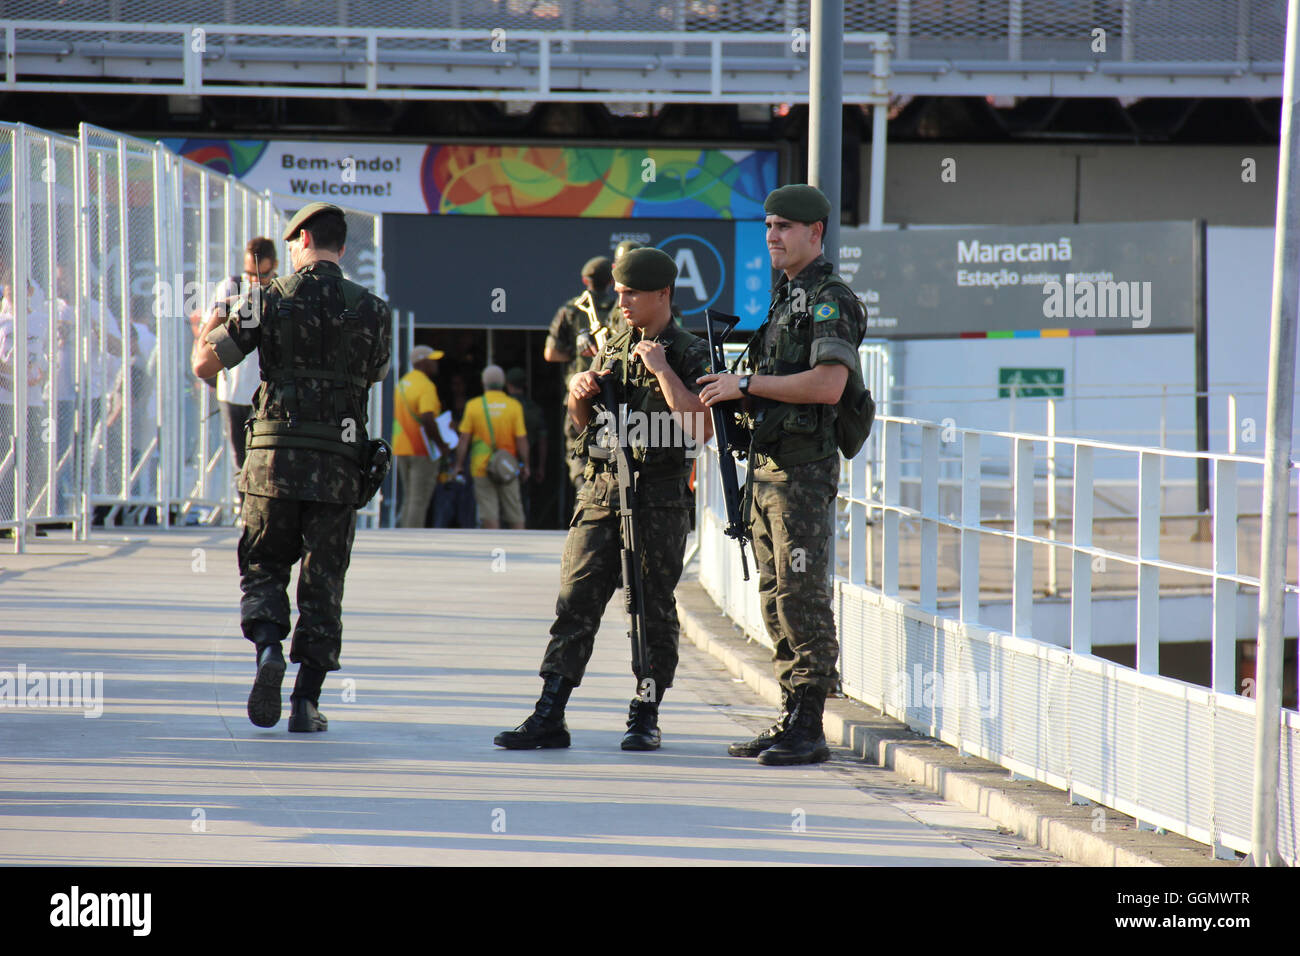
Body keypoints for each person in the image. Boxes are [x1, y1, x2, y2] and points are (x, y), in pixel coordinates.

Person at [494, 247, 712, 752]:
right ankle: (550, 711)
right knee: (576, 601)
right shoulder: (614, 342)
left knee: (651, 609)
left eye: (631, 293)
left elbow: (699, 429)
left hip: (657, 498)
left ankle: (645, 712)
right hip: (601, 491)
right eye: (618, 293)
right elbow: (583, 424)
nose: (623, 302)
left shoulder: (688, 352)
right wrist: (579, 392)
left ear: (663, 294)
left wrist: (661, 371)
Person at [191, 201, 391, 733]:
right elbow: (372, 373)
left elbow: (205, 364)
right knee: (323, 584)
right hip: (338, 467)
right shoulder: (371, 308)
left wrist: (208, 325)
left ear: (299, 240)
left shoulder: (265, 300)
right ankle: (306, 703)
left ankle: (266, 652)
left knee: (264, 566)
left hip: (272, 463)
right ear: (341, 248)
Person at [699, 184, 866, 767]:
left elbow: (827, 385)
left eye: (785, 226)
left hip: (802, 471)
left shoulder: (828, 299)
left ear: (815, 232)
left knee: (801, 592)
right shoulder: (785, 298)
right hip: (769, 470)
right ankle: (791, 713)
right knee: (774, 596)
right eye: (769, 225)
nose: (772, 235)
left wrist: (744, 385)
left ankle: (811, 725)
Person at [205, 238, 278, 508]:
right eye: (250, 274)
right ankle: (246, 511)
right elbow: (206, 333)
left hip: (265, 392)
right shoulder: (231, 287)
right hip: (232, 389)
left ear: (276, 267)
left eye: (262, 274)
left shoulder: (281, 293)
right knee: (240, 458)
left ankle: (263, 510)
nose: (255, 280)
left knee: (264, 457)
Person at [543, 256, 616, 496]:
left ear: (585, 280)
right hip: (613, 393)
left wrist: (578, 358)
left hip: (579, 395)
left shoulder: (570, 310)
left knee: (579, 451)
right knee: (613, 451)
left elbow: (551, 353)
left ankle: (583, 497)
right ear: (610, 280)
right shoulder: (621, 309)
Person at [451, 364, 529, 530]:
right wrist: (526, 465)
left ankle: (494, 548)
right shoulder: (514, 406)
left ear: (483, 383)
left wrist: (458, 465)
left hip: (481, 467)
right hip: (507, 465)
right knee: (514, 511)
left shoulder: (473, 406)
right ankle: (520, 546)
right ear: (503, 383)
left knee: (489, 512)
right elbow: (521, 439)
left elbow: (464, 440)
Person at [392, 344, 451, 528]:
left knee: (408, 496)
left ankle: (404, 533)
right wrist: (441, 444)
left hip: (401, 446)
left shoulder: (402, 383)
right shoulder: (426, 386)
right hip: (421, 449)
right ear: (423, 363)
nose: (437, 364)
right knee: (419, 498)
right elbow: (427, 418)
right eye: (433, 360)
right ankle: (412, 537)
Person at [504, 366, 547, 526]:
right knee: (522, 502)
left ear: (507, 384)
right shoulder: (534, 410)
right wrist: (540, 467)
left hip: (504, 459)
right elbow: (543, 440)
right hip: (528, 461)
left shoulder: (505, 407)